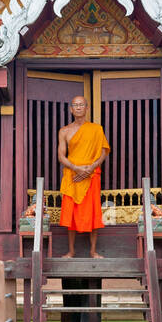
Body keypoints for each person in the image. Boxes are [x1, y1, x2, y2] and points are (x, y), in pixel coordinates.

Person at [57, 95, 110, 257]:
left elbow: (103, 151)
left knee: (93, 212)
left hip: (91, 175)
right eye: (75, 105)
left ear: (87, 108)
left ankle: (93, 251)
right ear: (71, 109)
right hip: (72, 176)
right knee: (71, 214)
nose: (78, 107)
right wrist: (76, 168)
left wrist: (90, 168)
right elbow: (61, 156)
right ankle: (71, 251)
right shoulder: (64, 131)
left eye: (81, 105)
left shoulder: (96, 129)